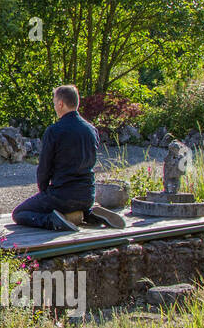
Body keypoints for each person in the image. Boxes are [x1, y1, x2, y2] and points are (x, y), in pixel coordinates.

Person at [12, 85, 124, 232]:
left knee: (19, 213)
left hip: (62, 196)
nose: (54, 107)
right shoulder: (91, 130)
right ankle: (88, 214)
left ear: (60, 104)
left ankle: (53, 221)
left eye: (54, 103)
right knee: (72, 204)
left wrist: (44, 192)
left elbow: (44, 168)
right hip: (87, 195)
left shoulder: (54, 130)